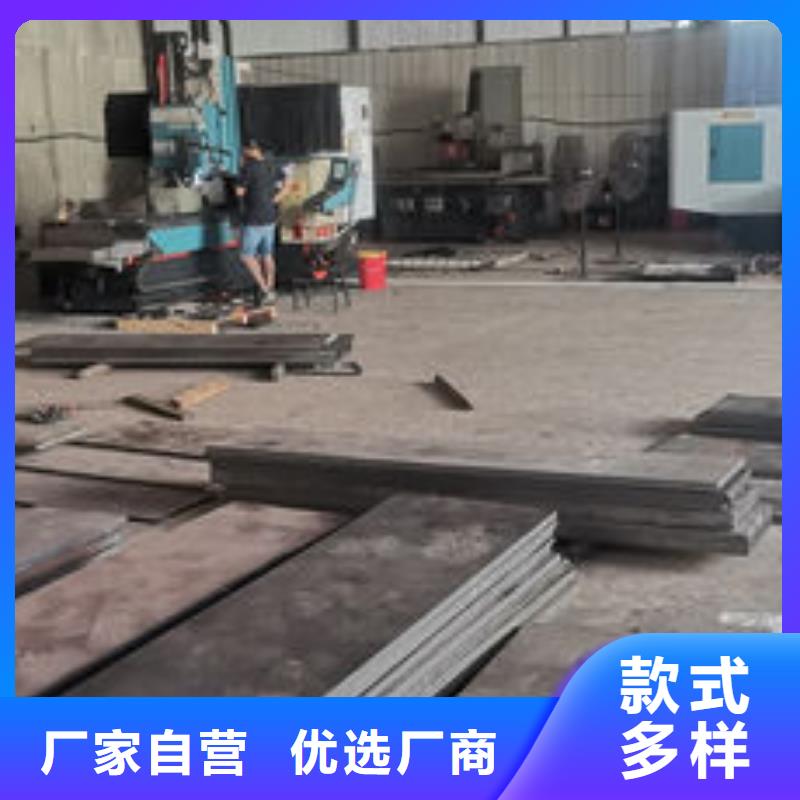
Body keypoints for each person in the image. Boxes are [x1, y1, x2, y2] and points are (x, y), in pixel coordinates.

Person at [235, 140, 289, 304]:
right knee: (266, 254)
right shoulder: (271, 165)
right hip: (270, 217)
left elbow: (239, 192)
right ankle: (270, 288)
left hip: (254, 218)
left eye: (244, 150)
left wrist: (240, 171)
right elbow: (288, 182)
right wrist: (277, 198)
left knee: (246, 256)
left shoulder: (248, 168)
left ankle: (264, 289)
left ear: (249, 150)